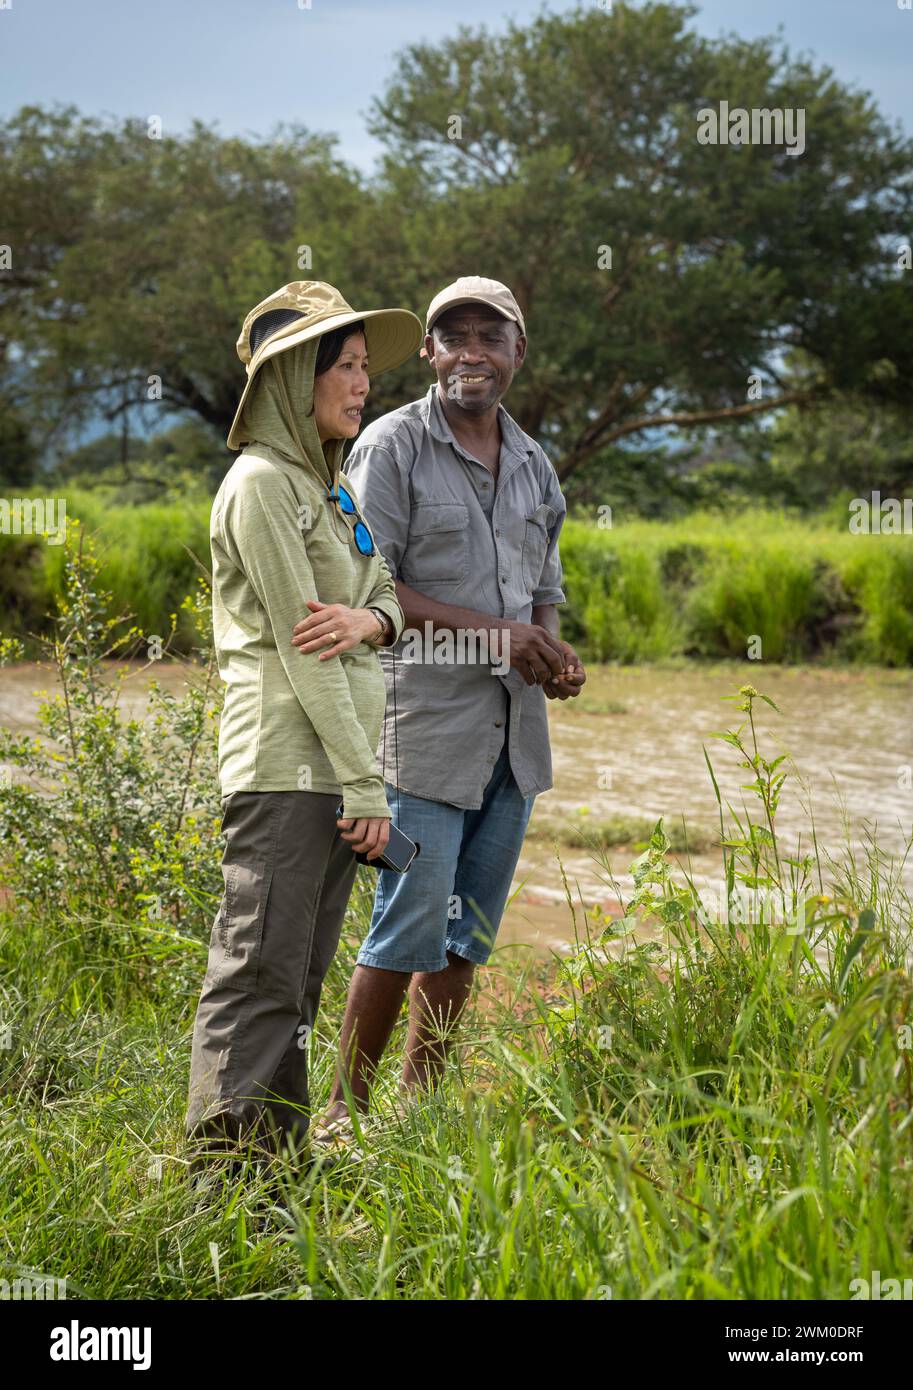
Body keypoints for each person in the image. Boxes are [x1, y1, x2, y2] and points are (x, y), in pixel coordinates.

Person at [298, 276, 586, 1140]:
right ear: (426, 352)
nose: (469, 352)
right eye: (450, 336)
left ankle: (418, 1119)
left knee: (466, 942)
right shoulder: (390, 446)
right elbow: (367, 586)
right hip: (419, 733)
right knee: (405, 930)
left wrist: (548, 646)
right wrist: (498, 636)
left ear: (516, 353)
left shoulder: (535, 462)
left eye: (487, 337)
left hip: (510, 742)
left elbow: (544, 585)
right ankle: (342, 1115)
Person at [185, 280, 422, 1162]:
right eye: (348, 367)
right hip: (287, 768)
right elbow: (301, 648)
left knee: (300, 984)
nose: (365, 384)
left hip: (334, 771)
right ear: (294, 379)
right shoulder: (260, 486)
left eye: (366, 367)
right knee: (257, 980)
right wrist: (366, 784)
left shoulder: (333, 489)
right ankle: (219, 1189)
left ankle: (273, 1177)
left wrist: (372, 620)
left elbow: (384, 592)